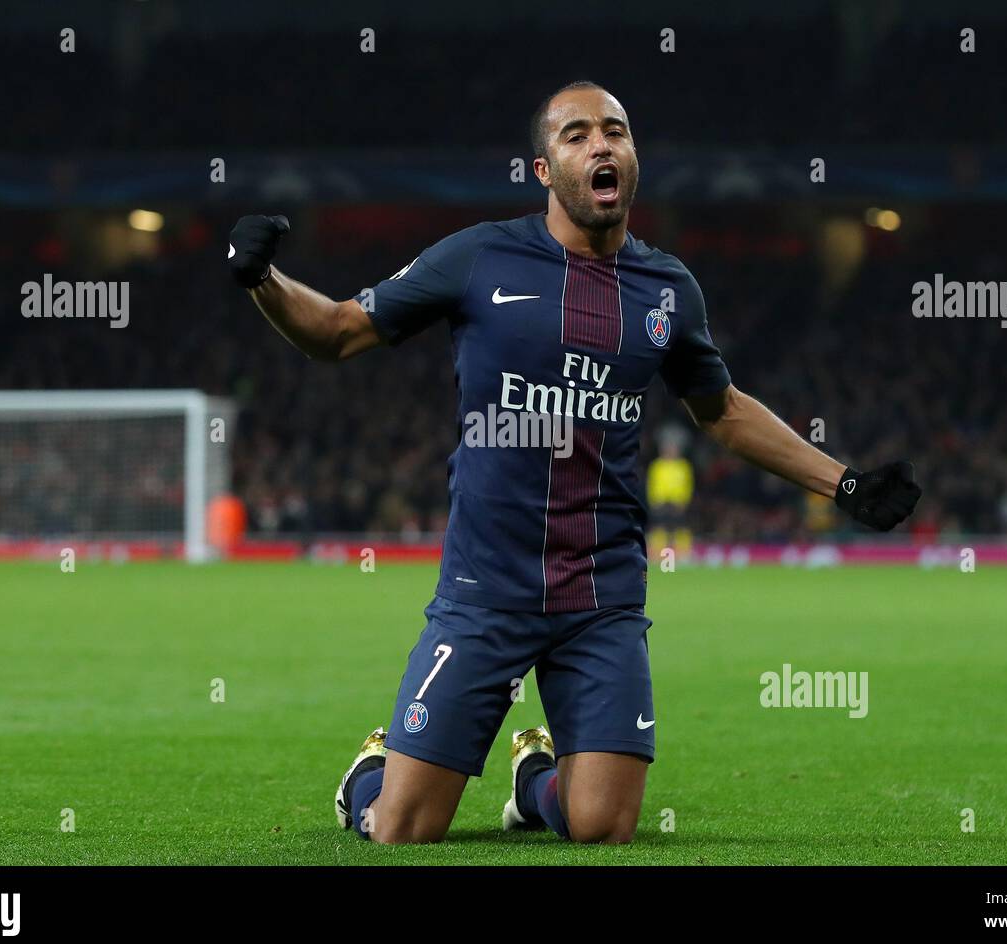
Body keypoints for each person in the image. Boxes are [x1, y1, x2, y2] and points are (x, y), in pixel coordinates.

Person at [227, 81, 921, 845]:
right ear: (543, 167)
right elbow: (337, 331)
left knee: (602, 826)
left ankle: (533, 782)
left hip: (601, 595)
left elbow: (720, 410)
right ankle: (371, 772)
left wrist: (843, 483)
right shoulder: (478, 256)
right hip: (485, 590)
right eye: (578, 134)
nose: (602, 145)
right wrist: (263, 280)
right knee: (401, 830)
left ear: (632, 157)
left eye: (616, 132)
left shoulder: (667, 289)